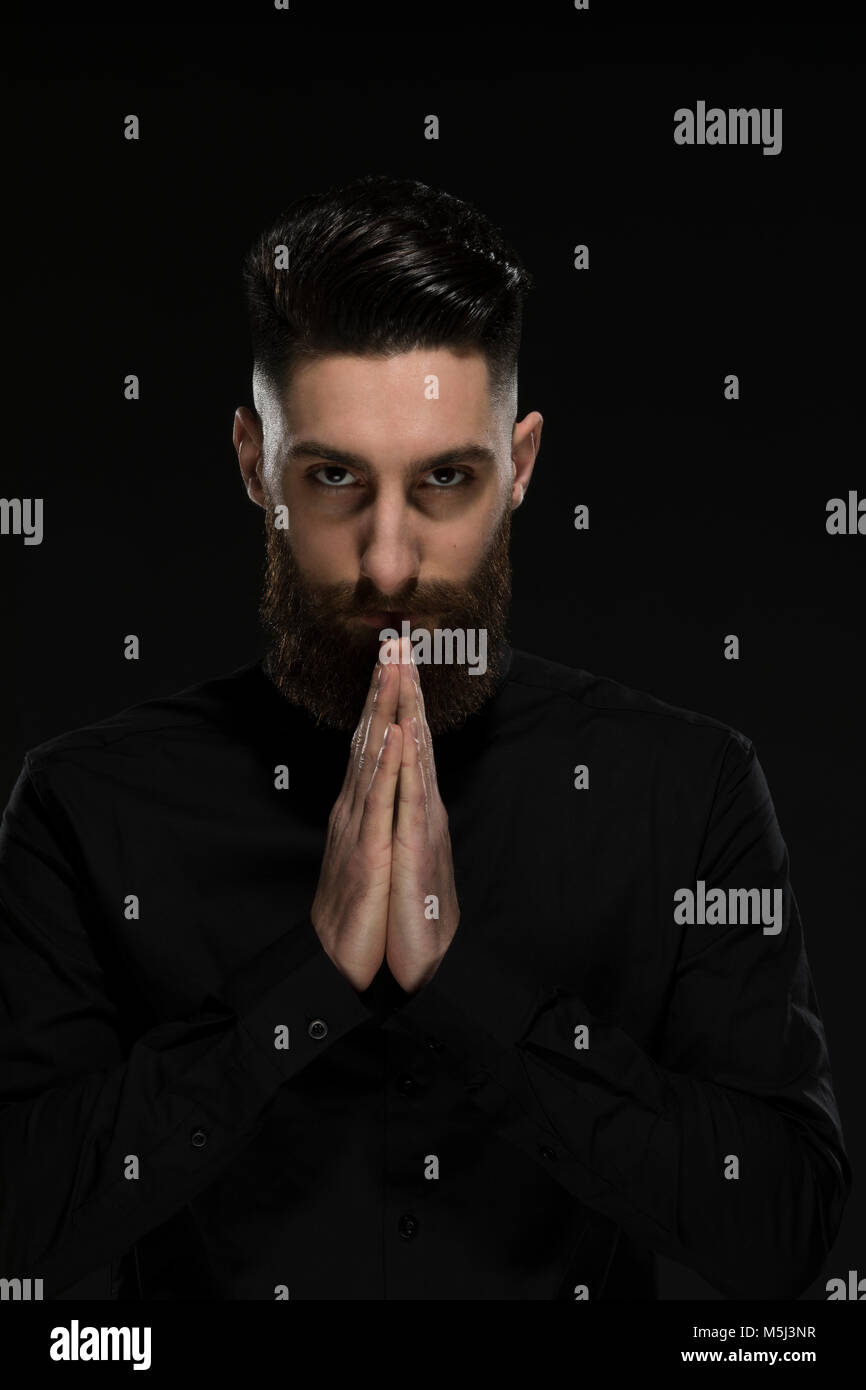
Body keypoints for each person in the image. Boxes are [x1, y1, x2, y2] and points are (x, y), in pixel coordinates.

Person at [0, 174, 851, 1301]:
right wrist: (302, 986)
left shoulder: (683, 790)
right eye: (335, 476)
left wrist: (466, 987)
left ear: (523, 466)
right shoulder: (88, 804)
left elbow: (782, 1224)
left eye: (446, 477)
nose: (389, 562)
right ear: (256, 465)